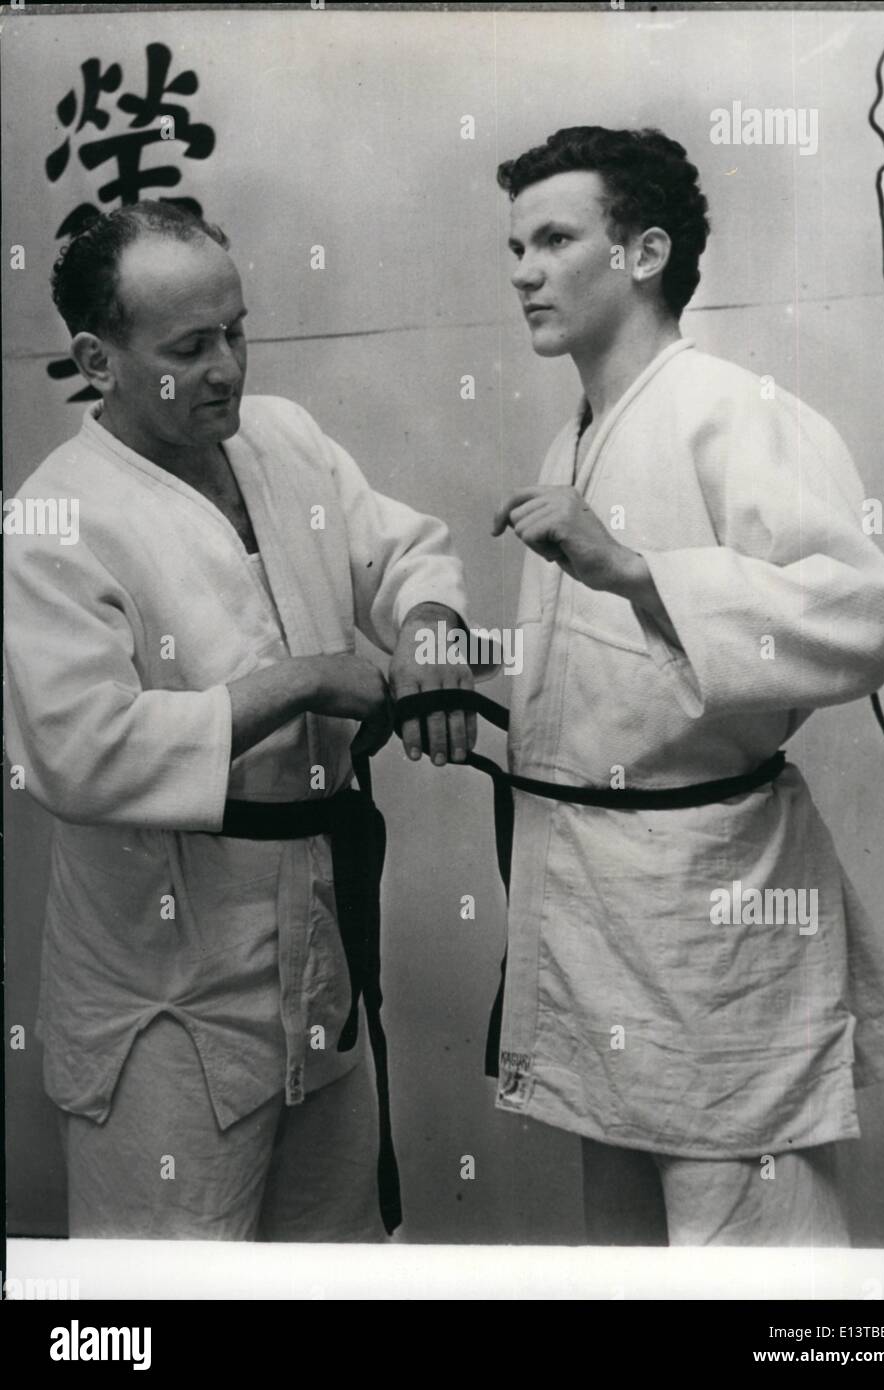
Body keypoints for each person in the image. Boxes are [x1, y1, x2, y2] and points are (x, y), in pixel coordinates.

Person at [4, 200, 475, 1241]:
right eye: (189, 346)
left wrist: (431, 629)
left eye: (237, 331)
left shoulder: (280, 438)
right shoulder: (54, 523)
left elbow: (399, 551)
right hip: (164, 988)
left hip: (316, 943)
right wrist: (305, 682)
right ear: (98, 358)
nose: (227, 367)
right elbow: (76, 753)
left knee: (331, 1257)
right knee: (173, 1278)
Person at [489, 126, 884, 1246]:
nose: (523, 270)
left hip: (714, 908)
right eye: (515, 246)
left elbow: (857, 618)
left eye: (553, 238)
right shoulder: (569, 443)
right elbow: (611, 680)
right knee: (627, 1259)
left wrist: (636, 570)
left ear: (643, 251)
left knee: (751, 1259)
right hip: (597, 906)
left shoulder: (731, 407)